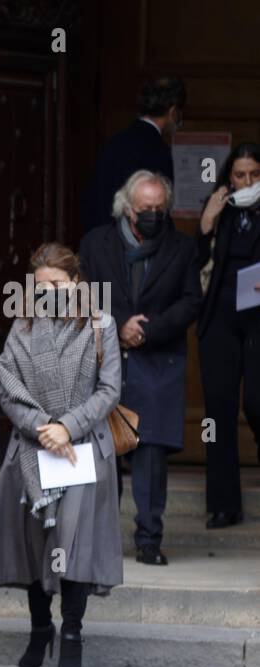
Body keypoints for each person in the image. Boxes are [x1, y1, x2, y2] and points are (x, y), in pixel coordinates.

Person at [0, 243, 123, 667]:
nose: (48, 292)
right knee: (35, 543)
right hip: (32, 449)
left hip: (81, 451)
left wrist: (67, 427)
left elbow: (110, 390)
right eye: (40, 286)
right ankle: (41, 629)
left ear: (76, 282)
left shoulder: (101, 325)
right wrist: (42, 427)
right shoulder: (23, 327)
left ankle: (72, 632)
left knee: (73, 543)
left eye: (56, 284)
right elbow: (8, 389)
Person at [80, 170, 201, 565]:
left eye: (159, 209)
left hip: (157, 361)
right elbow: (82, 295)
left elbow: (190, 301)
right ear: (127, 208)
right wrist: (120, 323)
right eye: (144, 209)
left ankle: (149, 539)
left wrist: (148, 329)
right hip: (106, 362)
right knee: (104, 454)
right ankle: (101, 537)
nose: (152, 214)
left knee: (150, 456)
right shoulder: (96, 243)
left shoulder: (181, 248)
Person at [196, 142, 260, 529]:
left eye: (255, 175)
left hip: (258, 319)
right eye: (241, 175)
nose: (248, 182)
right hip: (219, 317)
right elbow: (196, 261)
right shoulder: (218, 208)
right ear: (228, 178)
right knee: (217, 414)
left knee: (256, 402)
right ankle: (223, 503)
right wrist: (206, 223)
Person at [81, 76, 186, 234]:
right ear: (172, 112)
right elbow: (161, 208)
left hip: (102, 241)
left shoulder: (114, 141)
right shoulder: (158, 149)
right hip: (136, 244)